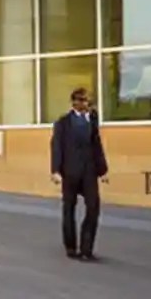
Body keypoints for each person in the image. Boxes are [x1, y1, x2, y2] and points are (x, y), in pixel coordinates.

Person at [50, 87, 108, 261]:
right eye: (83, 100)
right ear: (75, 102)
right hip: (70, 172)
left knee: (93, 207)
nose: (86, 103)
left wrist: (103, 170)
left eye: (88, 100)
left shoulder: (92, 120)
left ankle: (86, 248)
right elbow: (56, 146)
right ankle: (70, 246)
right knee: (69, 208)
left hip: (89, 172)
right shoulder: (63, 123)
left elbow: (96, 146)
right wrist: (55, 170)